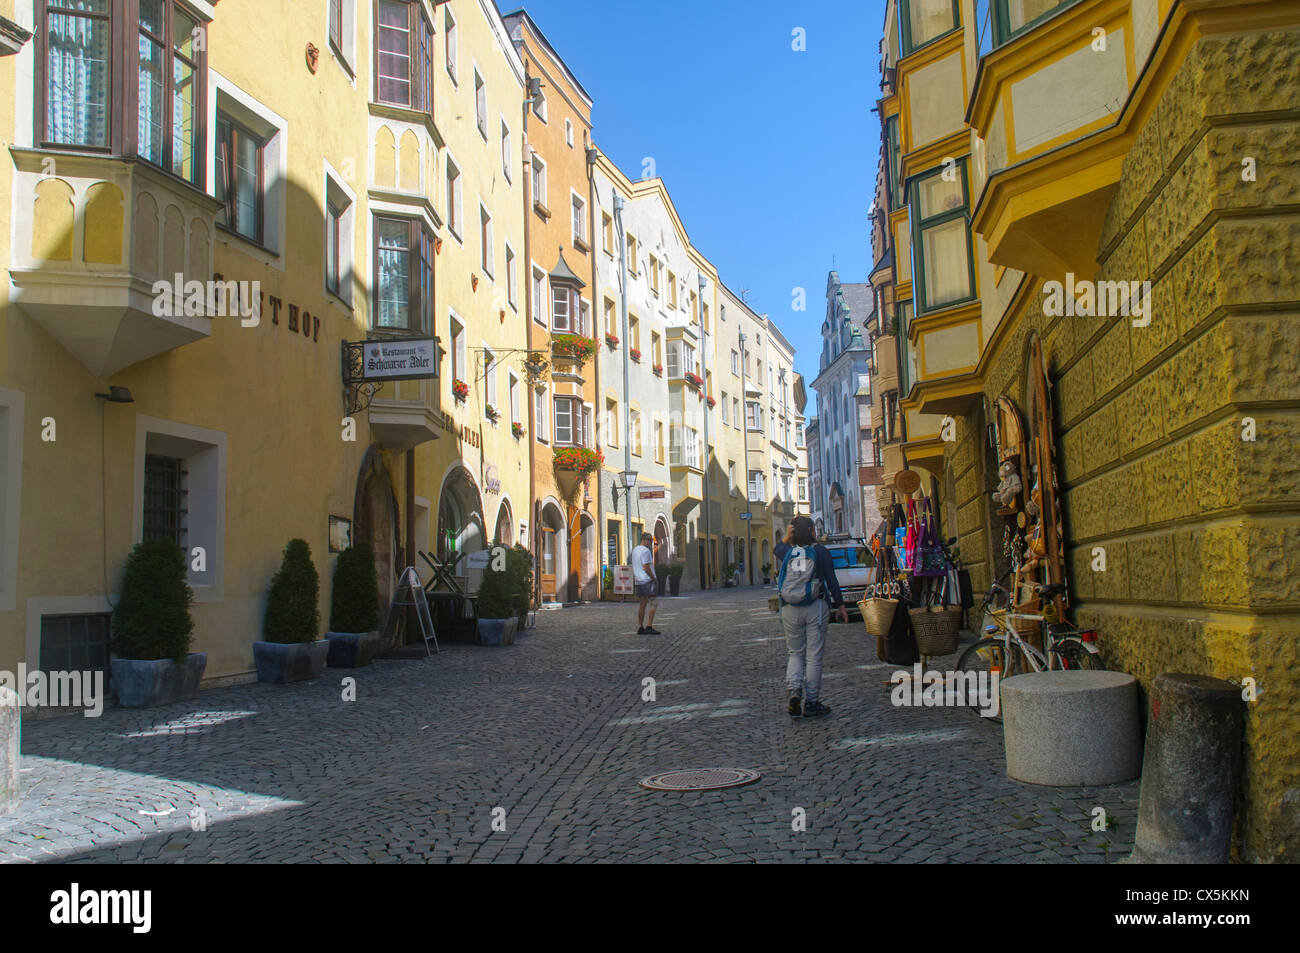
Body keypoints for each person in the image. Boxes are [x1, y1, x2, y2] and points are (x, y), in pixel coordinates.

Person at [775, 515, 847, 718]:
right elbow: (831, 579)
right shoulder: (820, 551)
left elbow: (776, 549)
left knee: (795, 653)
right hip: (815, 605)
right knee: (814, 655)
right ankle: (812, 702)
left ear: (793, 532)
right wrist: (840, 605)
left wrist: (788, 538)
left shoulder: (788, 551)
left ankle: (794, 691)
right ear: (811, 531)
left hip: (789, 607)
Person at [630, 532, 660, 634]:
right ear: (644, 540)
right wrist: (653, 578)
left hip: (638, 581)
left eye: (651, 540)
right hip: (647, 580)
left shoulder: (635, 550)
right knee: (654, 602)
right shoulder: (646, 551)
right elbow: (646, 567)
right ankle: (649, 626)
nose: (651, 542)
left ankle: (640, 626)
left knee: (642, 604)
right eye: (649, 540)